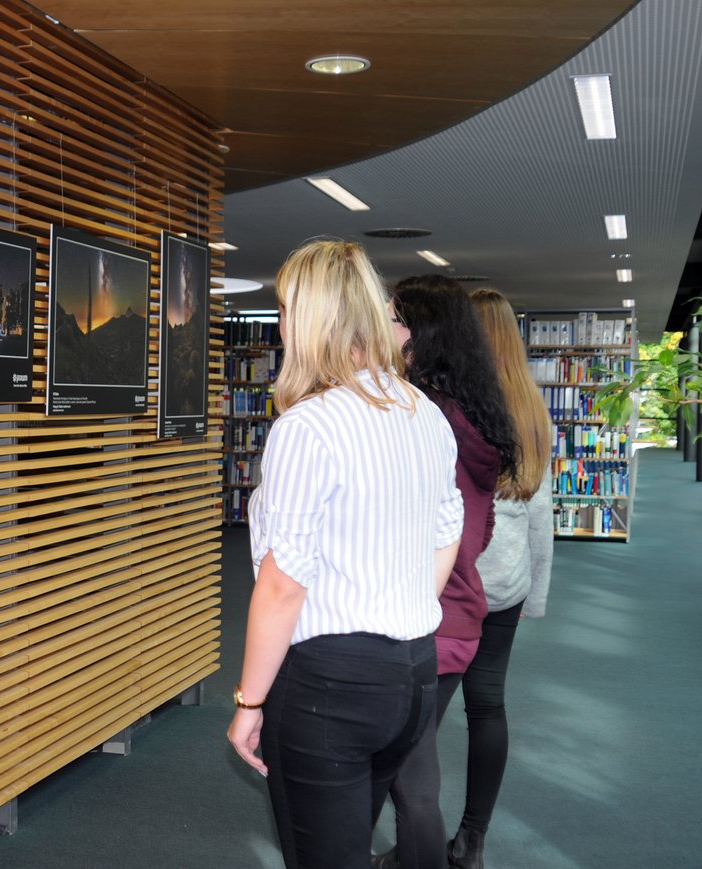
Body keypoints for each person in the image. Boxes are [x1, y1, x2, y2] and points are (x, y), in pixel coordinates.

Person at [226, 240, 465, 869]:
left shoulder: (307, 426)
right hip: (412, 674)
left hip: (329, 687)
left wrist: (250, 702)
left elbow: (283, 585)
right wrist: (400, 603)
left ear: (308, 319)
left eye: (283, 308)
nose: (279, 323)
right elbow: (448, 533)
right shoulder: (425, 414)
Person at [375, 275, 518, 869]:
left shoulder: (423, 420)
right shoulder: (477, 419)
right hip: (458, 613)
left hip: (419, 617)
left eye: (392, 318)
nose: (381, 327)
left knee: (403, 779)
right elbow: (476, 531)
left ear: (419, 334)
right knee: (409, 772)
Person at [442, 288, 555, 869]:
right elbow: (541, 513)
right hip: (506, 584)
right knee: (487, 707)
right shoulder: (532, 411)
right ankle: (472, 841)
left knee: (419, 717)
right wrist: (534, 597)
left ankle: (415, 833)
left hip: (451, 583)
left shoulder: (452, 407)